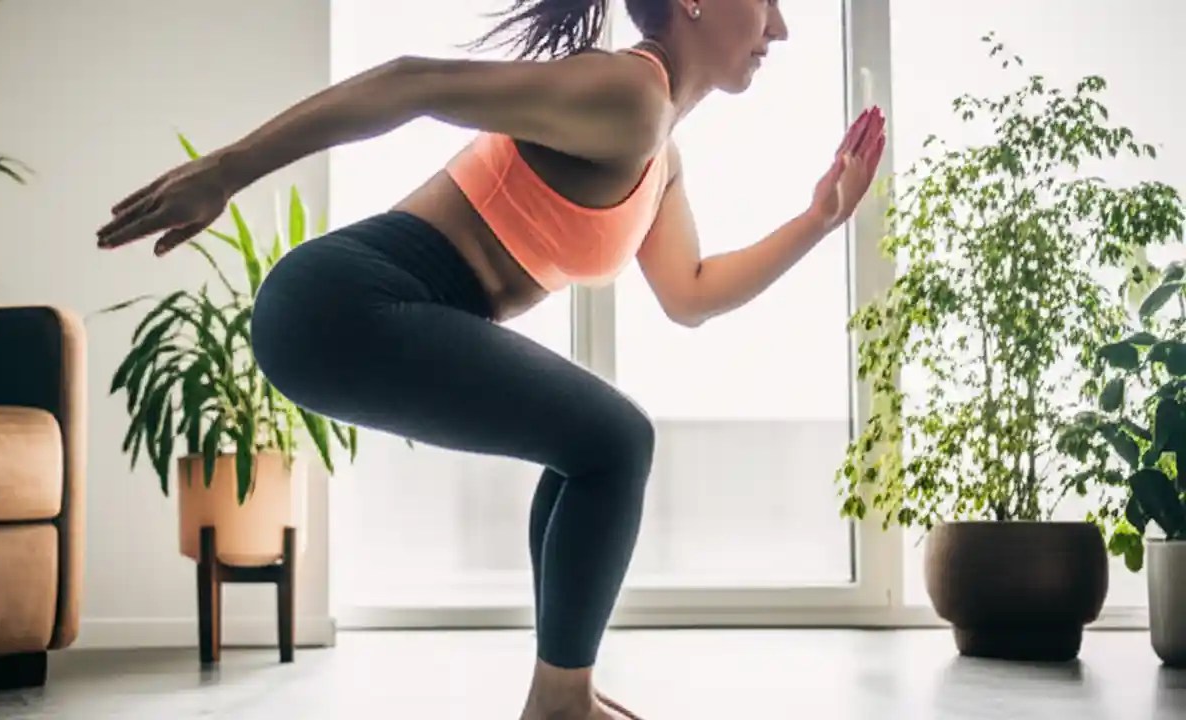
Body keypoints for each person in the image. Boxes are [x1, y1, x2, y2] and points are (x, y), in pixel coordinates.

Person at [97, 0, 886, 716]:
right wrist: (229, 170)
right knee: (614, 441)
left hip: (358, 311)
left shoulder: (659, 148)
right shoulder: (627, 96)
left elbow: (691, 293)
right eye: (769, 2)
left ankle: (560, 692)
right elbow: (414, 83)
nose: (779, 29)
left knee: (592, 448)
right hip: (342, 301)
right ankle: (559, 702)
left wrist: (819, 218)